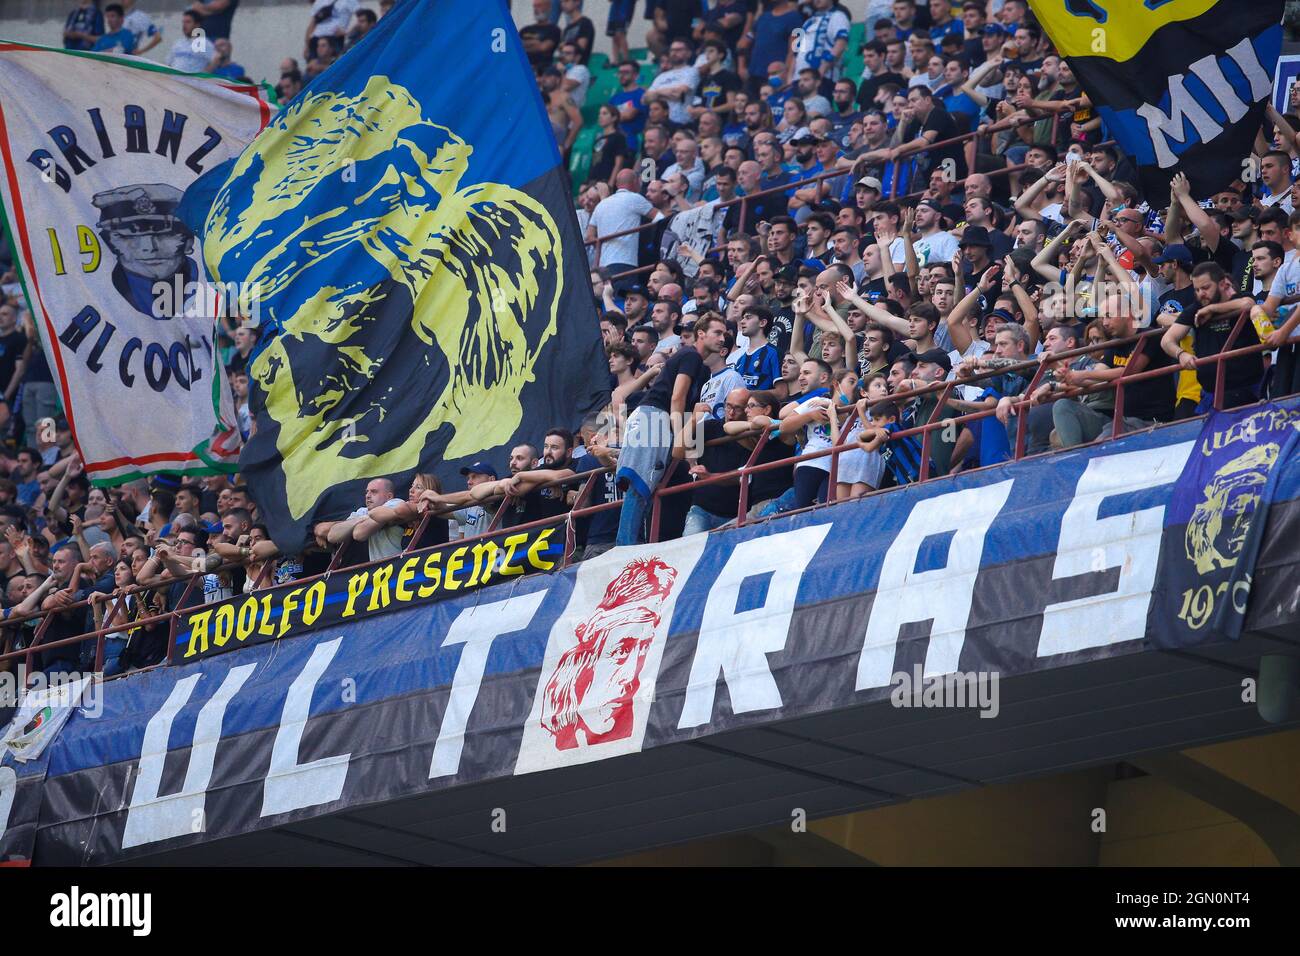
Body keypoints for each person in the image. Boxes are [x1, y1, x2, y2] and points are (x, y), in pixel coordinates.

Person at [615, 314, 728, 545]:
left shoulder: (703, 369)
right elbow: (678, 398)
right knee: (640, 482)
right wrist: (682, 438)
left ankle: (638, 543)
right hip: (652, 416)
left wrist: (692, 458)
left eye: (725, 334)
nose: (722, 338)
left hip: (663, 422)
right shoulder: (690, 355)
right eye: (717, 332)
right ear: (701, 334)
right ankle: (624, 545)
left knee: (653, 485)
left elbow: (687, 409)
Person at [1160, 262, 1263, 413]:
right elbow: (1167, 340)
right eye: (1197, 289)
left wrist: (1212, 309)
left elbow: (1248, 304)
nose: (1201, 293)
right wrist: (1181, 354)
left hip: (1247, 391)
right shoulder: (1195, 308)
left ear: (1222, 284)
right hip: (1211, 395)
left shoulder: (1240, 297)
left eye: (1206, 288)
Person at [325, 478, 406, 561]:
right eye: (367, 492)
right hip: (380, 570)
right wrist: (361, 518)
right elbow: (332, 536)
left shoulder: (396, 503)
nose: (368, 495)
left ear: (389, 496)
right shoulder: (363, 511)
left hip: (400, 567)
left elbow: (359, 534)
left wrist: (356, 522)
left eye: (374, 492)